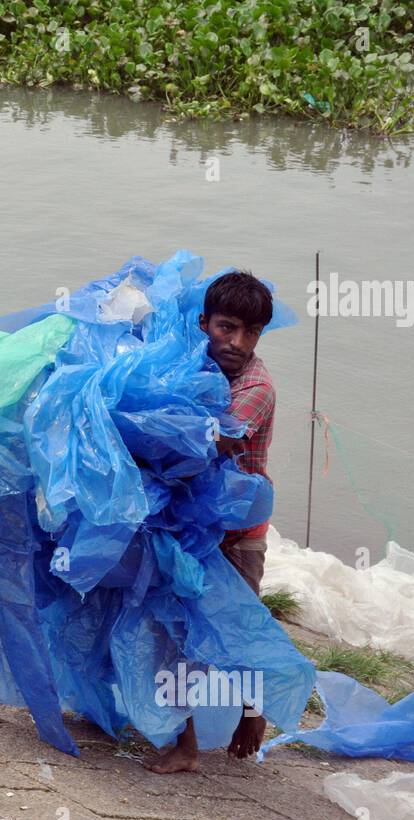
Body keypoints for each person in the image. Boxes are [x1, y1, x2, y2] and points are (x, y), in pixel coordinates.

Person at [147, 269, 277, 773]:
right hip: (188, 526)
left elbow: (205, 444)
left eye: (250, 332)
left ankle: (253, 713)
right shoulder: (190, 366)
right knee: (173, 629)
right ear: (204, 324)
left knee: (236, 631)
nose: (237, 343)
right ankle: (185, 743)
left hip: (236, 536)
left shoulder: (255, 387)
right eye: (226, 327)